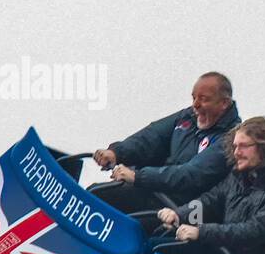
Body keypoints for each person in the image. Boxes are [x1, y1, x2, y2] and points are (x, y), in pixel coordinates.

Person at [156, 116, 265, 254]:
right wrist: (179, 214)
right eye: (235, 147)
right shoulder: (240, 176)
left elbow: (254, 231)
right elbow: (210, 200)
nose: (236, 153)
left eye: (243, 146)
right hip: (230, 252)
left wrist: (201, 232)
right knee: (156, 248)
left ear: (264, 147)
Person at [95, 72, 242, 205]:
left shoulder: (232, 139)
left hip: (186, 209)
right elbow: (151, 137)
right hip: (156, 191)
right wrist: (116, 153)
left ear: (224, 103)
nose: (195, 105)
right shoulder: (187, 116)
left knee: (104, 195)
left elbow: (192, 175)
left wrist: (138, 177)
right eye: (194, 97)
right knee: (96, 191)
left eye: (203, 99)